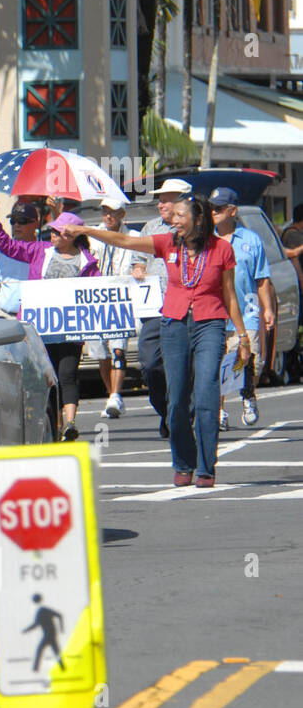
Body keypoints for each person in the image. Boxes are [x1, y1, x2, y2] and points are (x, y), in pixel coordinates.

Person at [62, 196, 250, 488]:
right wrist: (87, 231)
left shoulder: (221, 248)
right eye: (171, 216)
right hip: (174, 324)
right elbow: (123, 240)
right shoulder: (168, 243)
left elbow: (230, 295)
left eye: (178, 215)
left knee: (206, 394)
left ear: (197, 220)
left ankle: (205, 468)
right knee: (176, 399)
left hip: (210, 324)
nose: (172, 220)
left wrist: (243, 335)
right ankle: (183, 463)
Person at [0, 203, 100, 441]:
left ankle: (70, 423)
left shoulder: (87, 262)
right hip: (40, 328)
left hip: (70, 328)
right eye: (53, 231)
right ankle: (54, 424)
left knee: (67, 374)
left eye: (59, 231)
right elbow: (8, 246)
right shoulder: (39, 250)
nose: (54, 235)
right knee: (47, 377)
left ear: (72, 235)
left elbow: (95, 294)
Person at [210, 188, 274, 429]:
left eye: (219, 208)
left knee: (246, 359)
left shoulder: (250, 240)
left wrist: (267, 308)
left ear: (232, 211)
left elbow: (262, 278)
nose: (213, 212)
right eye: (212, 208)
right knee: (220, 362)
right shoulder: (207, 240)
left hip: (247, 312)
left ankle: (248, 394)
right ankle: (219, 411)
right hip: (217, 312)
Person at [134, 177, 189, 438]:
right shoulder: (151, 228)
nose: (160, 203)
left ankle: (182, 414)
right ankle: (166, 410)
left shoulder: (195, 229)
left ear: (183, 200)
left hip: (187, 308)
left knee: (182, 365)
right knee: (149, 362)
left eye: (166, 199)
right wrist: (138, 267)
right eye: (160, 199)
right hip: (154, 308)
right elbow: (138, 258)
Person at [87, 195, 141, 419]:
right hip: (96, 301)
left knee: (118, 349)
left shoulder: (134, 236)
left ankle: (116, 395)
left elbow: (140, 260)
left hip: (121, 300)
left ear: (122, 214)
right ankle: (113, 396)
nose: (109, 216)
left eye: (113, 212)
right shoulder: (93, 235)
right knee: (101, 355)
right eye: (105, 211)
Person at [0, 202, 37, 317]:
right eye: (13, 221)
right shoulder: (1, 251)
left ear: (35, 224)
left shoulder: (44, 251)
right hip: (7, 317)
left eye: (22, 221)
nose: (16, 225)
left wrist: (56, 212)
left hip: (36, 317)